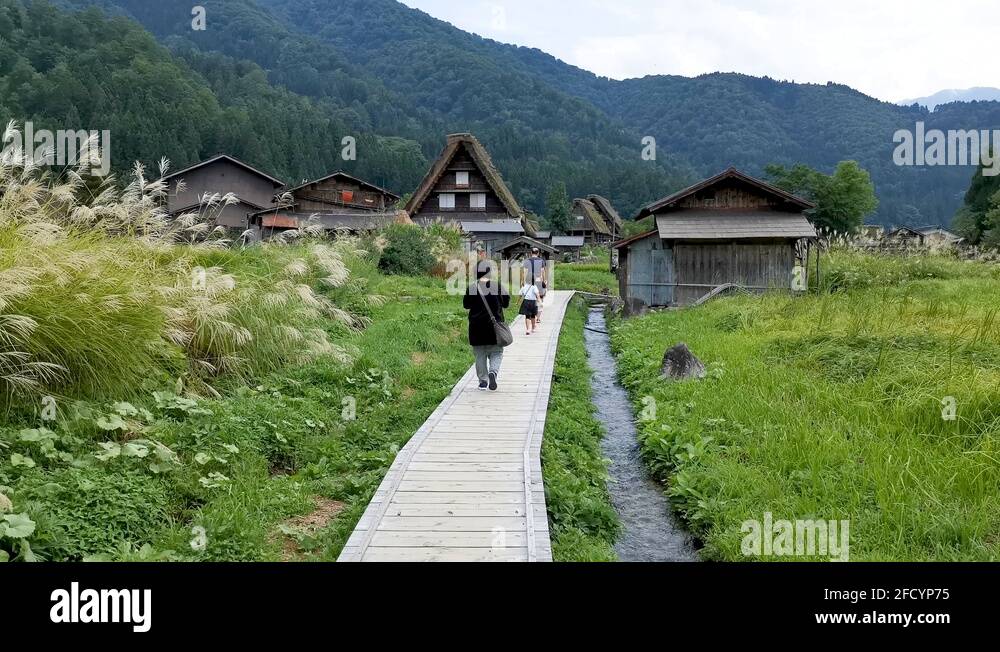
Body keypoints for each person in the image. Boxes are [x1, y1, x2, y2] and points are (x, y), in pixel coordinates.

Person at [463, 260, 509, 391]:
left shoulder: (472, 287)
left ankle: (483, 382)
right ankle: (493, 372)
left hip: (476, 328)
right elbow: (506, 303)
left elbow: (466, 305)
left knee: (480, 354)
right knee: (497, 352)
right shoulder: (497, 286)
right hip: (495, 328)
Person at [523, 248, 547, 323]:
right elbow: (542, 271)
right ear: (538, 253)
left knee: (530, 298)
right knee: (540, 298)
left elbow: (525, 272)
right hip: (539, 281)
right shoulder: (541, 261)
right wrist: (544, 281)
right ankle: (538, 318)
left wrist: (523, 282)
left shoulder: (527, 261)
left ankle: (530, 315)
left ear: (531, 253)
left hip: (529, 281)